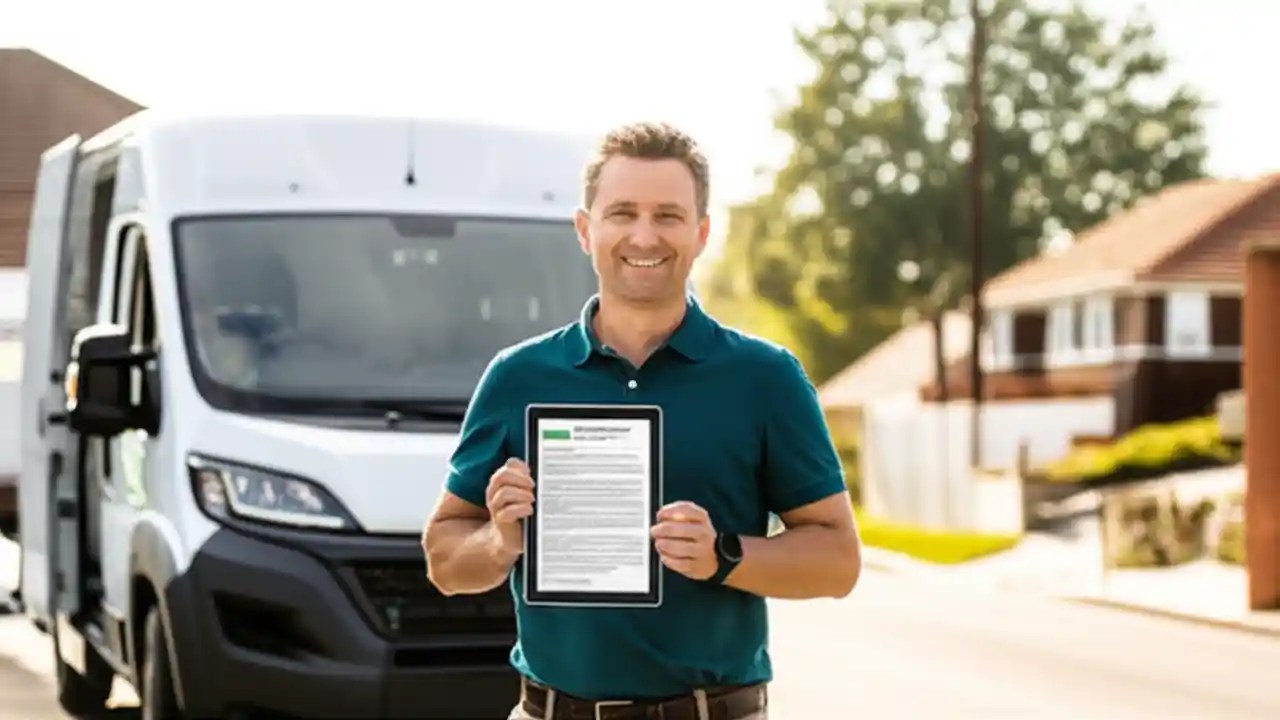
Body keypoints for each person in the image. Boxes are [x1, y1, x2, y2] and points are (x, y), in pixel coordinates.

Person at [422, 121, 861, 720]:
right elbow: (445, 561)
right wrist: (499, 542)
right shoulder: (517, 378)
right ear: (586, 230)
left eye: (669, 215)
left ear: (701, 232)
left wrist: (723, 556)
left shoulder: (765, 377)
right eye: (623, 212)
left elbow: (837, 561)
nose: (644, 235)